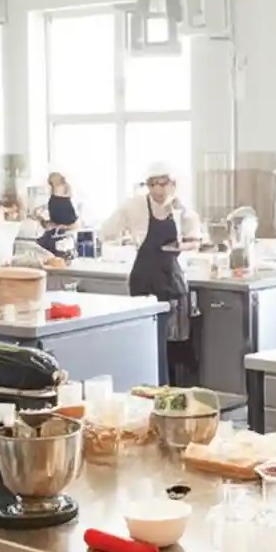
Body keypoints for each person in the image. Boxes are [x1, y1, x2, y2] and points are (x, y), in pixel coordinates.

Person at [100, 162, 203, 385]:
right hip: (143, 281)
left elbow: (195, 240)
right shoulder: (134, 206)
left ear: (173, 184)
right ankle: (149, 389)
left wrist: (180, 246)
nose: (157, 190)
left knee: (175, 347)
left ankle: (175, 392)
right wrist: (127, 240)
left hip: (171, 282)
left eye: (162, 184)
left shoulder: (183, 210)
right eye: (152, 184)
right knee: (144, 344)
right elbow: (106, 233)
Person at [37, 171, 79, 257]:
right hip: (58, 234)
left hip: (60, 236)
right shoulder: (59, 202)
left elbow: (73, 224)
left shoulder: (58, 202)